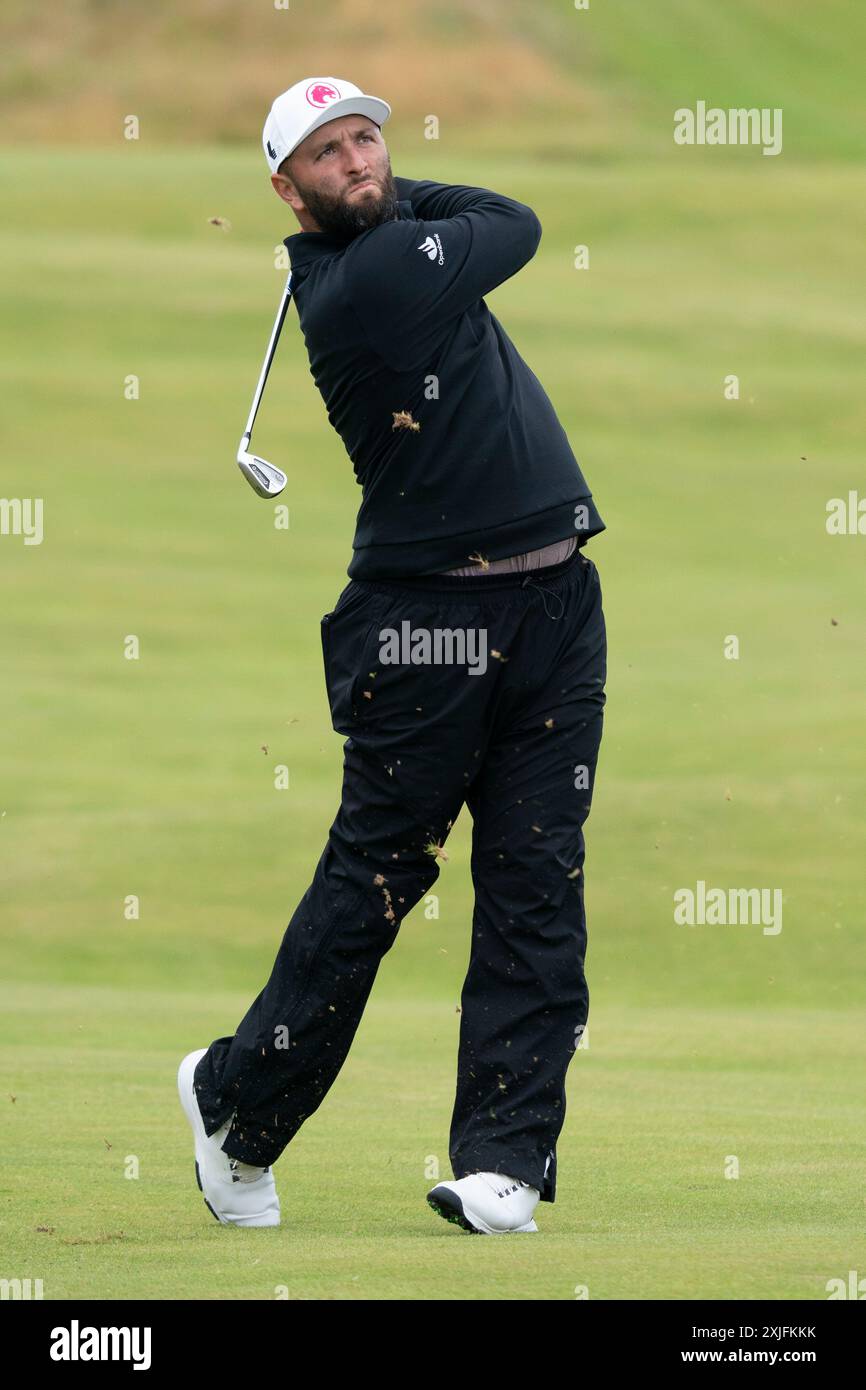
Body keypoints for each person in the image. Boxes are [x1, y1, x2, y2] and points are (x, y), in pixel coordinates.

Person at [178, 76, 607, 1235]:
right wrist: (388, 203)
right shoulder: (368, 281)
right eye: (327, 156)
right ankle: (234, 1104)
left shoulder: (384, 242)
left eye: (367, 141)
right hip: (426, 627)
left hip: (556, 603)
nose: (358, 163)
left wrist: (374, 193)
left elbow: (475, 215)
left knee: (535, 878)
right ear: (284, 188)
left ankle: (504, 1161)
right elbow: (514, 220)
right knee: (378, 883)